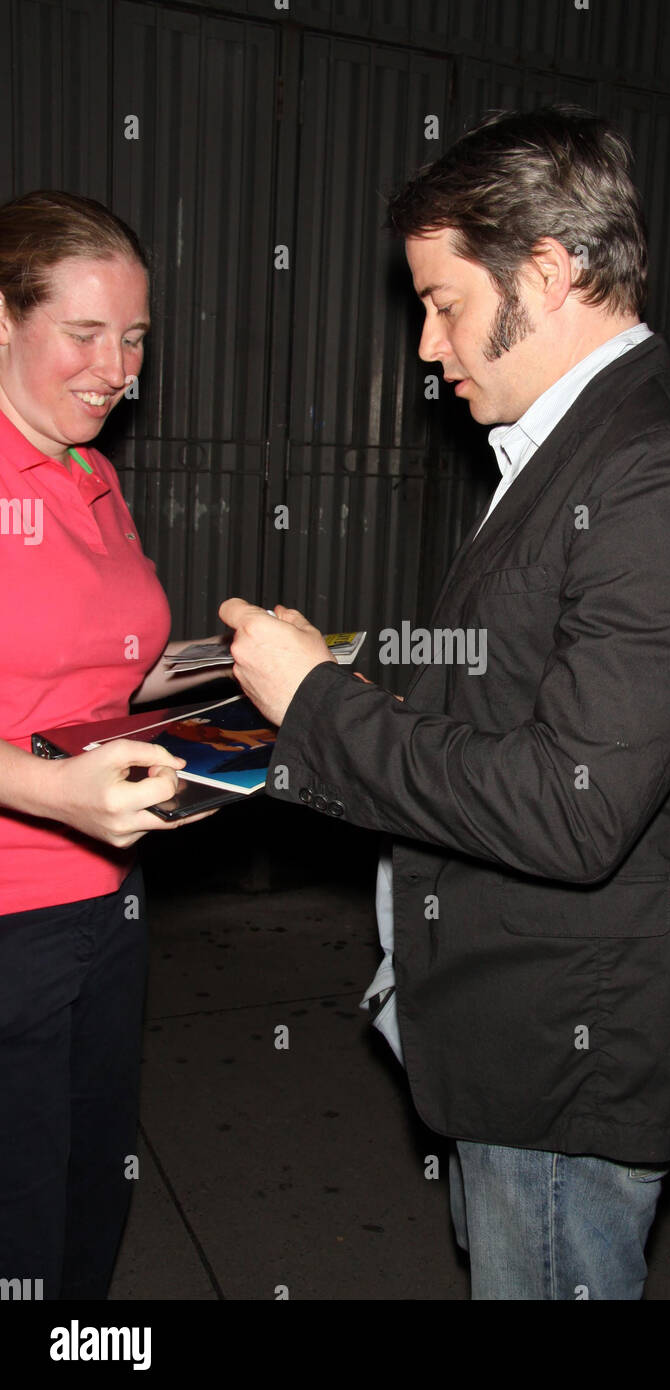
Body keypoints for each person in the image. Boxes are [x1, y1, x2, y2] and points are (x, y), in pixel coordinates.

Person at [221, 105, 670, 1300]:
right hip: (512, 1015)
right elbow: (537, 699)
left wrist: (317, 704)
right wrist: (385, 700)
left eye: (443, 303)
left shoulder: (658, 474)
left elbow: (571, 809)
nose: (427, 346)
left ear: (547, 269)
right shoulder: (575, 445)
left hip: (564, 1042)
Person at [0, 190, 222, 1300]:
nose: (117, 367)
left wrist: (243, 692)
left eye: (134, 337)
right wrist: (46, 788)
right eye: (84, 334)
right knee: (20, 1223)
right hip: (6, 914)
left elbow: (98, 669)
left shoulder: (93, 474)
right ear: (2, 314)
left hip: (107, 901)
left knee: (94, 1191)